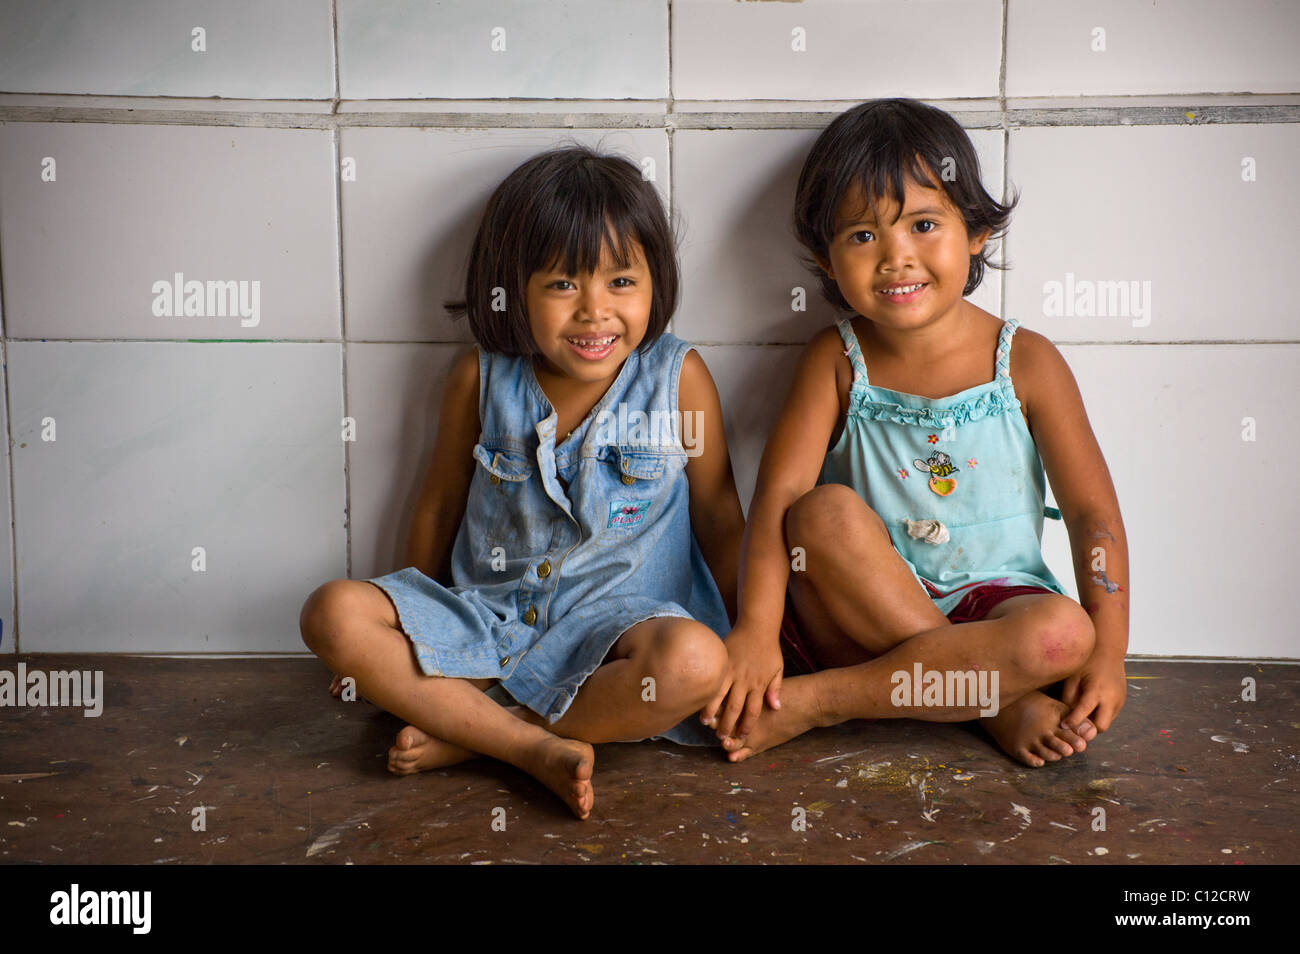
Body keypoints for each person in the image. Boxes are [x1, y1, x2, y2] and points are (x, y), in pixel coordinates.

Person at [300, 146, 745, 819]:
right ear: (511, 288)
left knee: (694, 663)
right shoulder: (478, 380)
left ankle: (489, 737)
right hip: (490, 617)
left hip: (615, 639)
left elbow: (718, 513)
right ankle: (516, 738)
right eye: (564, 285)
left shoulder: (677, 380)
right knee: (331, 612)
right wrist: (413, 631)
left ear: (656, 282)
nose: (595, 312)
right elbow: (439, 502)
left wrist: (750, 638)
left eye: (621, 282)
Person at [703, 99, 1130, 768]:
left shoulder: (1027, 361)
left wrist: (1109, 652)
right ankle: (997, 703)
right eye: (863, 236)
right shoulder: (836, 360)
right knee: (819, 514)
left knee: (1064, 636)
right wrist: (756, 631)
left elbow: (1091, 515)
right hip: (853, 617)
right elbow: (776, 504)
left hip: (996, 619)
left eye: (924, 224)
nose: (897, 258)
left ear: (979, 233)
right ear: (826, 254)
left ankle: (824, 702)